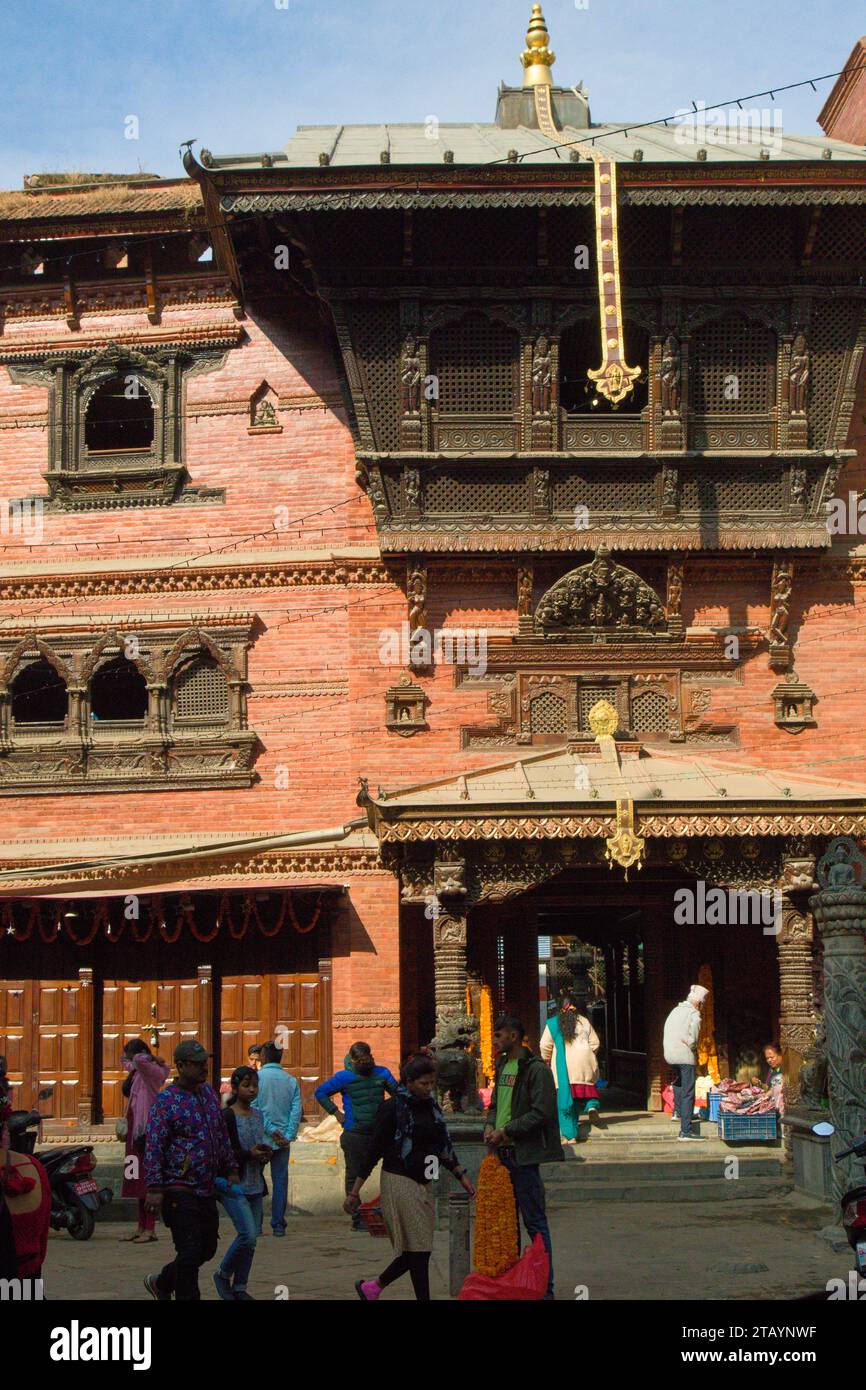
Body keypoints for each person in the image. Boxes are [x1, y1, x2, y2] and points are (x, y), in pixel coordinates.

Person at [346, 1053, 475, 1301]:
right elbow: (374, 1151)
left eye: (431, 1084)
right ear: (408, 1081)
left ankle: (372, 1288)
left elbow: (442, 1147)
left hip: (426, 1179)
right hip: (400, 1179)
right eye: (423, 1084)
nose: (428, 1089)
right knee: (418, 1249)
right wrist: (355, 1191)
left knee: (419, 1249)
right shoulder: (392, 1108)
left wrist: (460, 1174)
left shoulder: (432, 1108)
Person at [143, 1040, 239, 1301]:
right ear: (182, 1066)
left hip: (206, 1186)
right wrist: (154, 1188)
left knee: (206, 1248)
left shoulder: (208, 1093)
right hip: (178, 1187)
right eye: (198, 1064)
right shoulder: (166, 1101)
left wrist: (230, 1167)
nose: (203, 1069)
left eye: (204, 1063)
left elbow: (220, 1133)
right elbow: (154, 1145)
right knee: (189, 1251)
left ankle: (162, 1282)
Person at [484, 1014, 563, 1300]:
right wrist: (491, 1125)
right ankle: (516, 1282)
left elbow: (542, 1113)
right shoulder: (504, 1064)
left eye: (500, 1035)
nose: (496, 1040)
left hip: (524, 1154)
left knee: (535, 1223)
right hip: (502, 1151)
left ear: (514, 1037)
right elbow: (494, 1104)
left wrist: (507, 1130)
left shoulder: (536, 1070)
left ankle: (545, 1288)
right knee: (506, 1226)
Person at [314, 1042, 398, 1231]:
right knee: (354, 1176)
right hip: (355, 1133)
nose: (364, 1063)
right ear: (352, 1060)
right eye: (360, 1061)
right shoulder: (344, 1077)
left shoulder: (382, 1073)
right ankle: (357, 1218)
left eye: (366, 1059)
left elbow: (398, 1095)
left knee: (393, 1170)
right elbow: (320, 1093)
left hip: (380, 1132)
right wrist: (336, 1113)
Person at [214, 1065, 273, 1301]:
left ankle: (240, 1286)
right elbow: (226, 1152)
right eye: (246, 1085)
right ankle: (223, 1273)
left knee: (252, 1239)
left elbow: (257, 1143)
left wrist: (264, 1154)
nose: (252, 1090)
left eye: (255, 1085)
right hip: (234, 1182)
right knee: (246, 1234)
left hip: (255, 1182)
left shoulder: (258, 1115)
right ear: (236, 1088)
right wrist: (249, 1155)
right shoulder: (227, 1116)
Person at [118, 1039, 169, 1243]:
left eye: (132, 1055)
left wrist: (151, 1056)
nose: (130, 1060)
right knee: (136, 1178)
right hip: (134, 1129)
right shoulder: (138, 1071)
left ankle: (150, 1228)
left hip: (146, 1130)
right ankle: (140, 1226)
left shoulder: (150, 1071)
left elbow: (138, 1059)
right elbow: (127, 1061)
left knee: (148, 1180)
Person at [253, 1040, 301, 1236]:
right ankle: (278, 1225)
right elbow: (296, 1110)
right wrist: (287, 1135)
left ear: (263, 1057)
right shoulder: (290, 1080)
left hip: (261, 1138)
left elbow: (254, 1108)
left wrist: (271, 1131)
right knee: (280, 1181)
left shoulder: (256, 1078)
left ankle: (256, 1226)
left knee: (255, 1180)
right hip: (282, 1142)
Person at [540, 994, 602, 1144]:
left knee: (565, 1102)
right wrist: (588, 1055)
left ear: (559, 1008)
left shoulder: (554, 1023)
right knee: (584, 1091)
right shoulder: (584, 1021)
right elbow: (595, 1043)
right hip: (585, 1064)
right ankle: (591, 1105)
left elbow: (544, 1046)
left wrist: (547, 1058)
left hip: (565, 1068)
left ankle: (569, 1135)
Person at [663, 985, 708, 1141]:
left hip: (669, 1054)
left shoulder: (675, 1011)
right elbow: (694, 1036)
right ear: (698, 1003)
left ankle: (678, 1112)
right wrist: (692, 1044)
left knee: (679, 1083)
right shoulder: (693, 1013)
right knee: (689, 1091)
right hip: (684, 1055)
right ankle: (686, 1131)